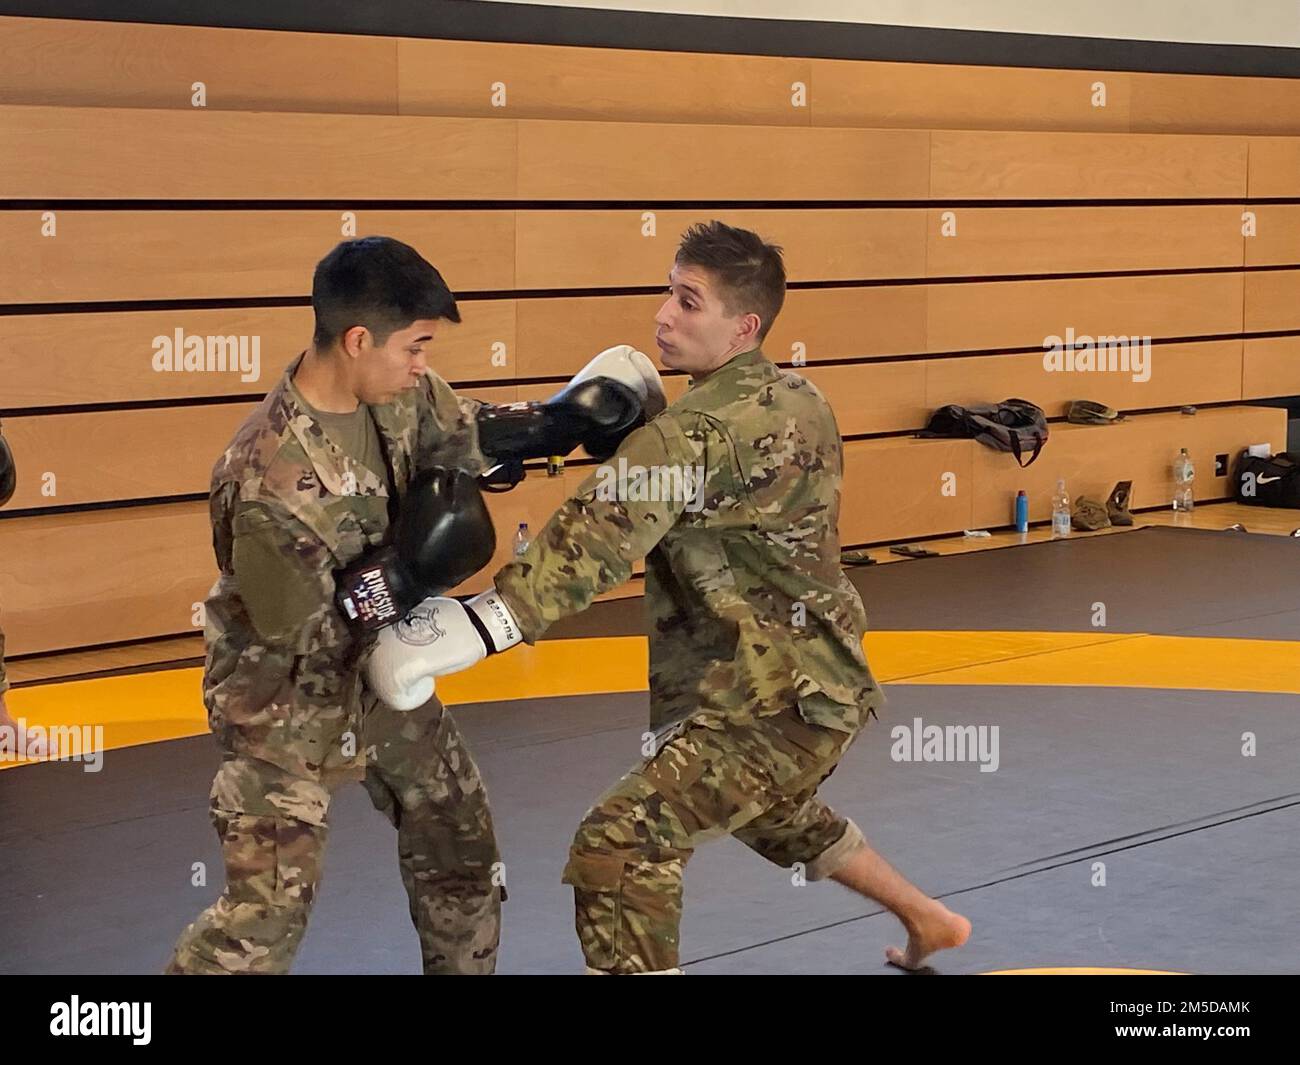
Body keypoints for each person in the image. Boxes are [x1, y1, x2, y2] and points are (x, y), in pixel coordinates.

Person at [368, 221, 971, 974]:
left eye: (689, 302)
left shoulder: (690, 435)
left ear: (743, 325)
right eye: (668, 291)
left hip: (768, 708)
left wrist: (481, 623)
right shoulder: (796, 395)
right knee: (773, 814)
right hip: (819, 686)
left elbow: (598, 537)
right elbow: (707, 481)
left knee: (618, 847)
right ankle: (930, 918)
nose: (663, 314)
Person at [167, 236, 662, 974]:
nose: (424, 363)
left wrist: (555, 423)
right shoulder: (265, 480)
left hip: (381, 677)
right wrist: (401, 576)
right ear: (357, 339)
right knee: (260, 927)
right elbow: (292, 631)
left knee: (461, 847)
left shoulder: (398, 393)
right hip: (284, 707)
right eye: (416, 345)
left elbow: (459, 438)